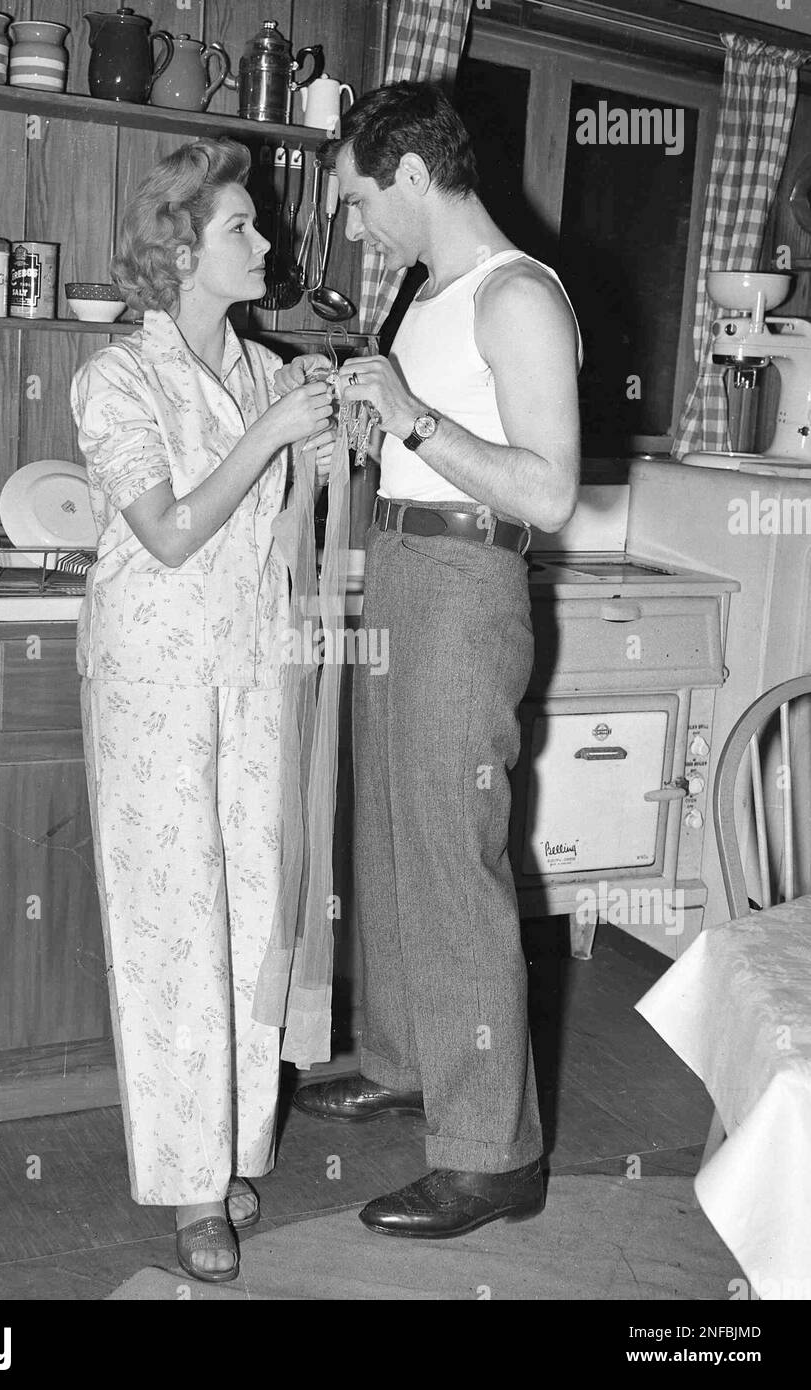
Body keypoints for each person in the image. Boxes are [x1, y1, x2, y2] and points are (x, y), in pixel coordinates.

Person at [278, 82, 582, 1238]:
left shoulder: (518, 298)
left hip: (467, 585)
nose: (355, 230)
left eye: (359, 203)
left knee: (455, 858)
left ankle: (492, 1152)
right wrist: (376, 420)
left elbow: (547, 490)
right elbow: (425, 436)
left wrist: (408, 418)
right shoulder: (422, 290)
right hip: (400, 564)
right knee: (392, 836)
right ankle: (404, 1061)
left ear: (412, 178)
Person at [70, 139, 334, 1282]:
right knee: (174, 923)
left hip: (250, 662)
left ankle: (229, 1146)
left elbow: (290, 511)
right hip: (151, 678)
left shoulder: (270, 372)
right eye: (242, 228)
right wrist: (270, 439)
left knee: (248, 913)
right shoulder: (114, 380)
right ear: (181, 246)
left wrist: (310, 471)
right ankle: (187, 1190)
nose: (266, 243)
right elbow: (170, 530)